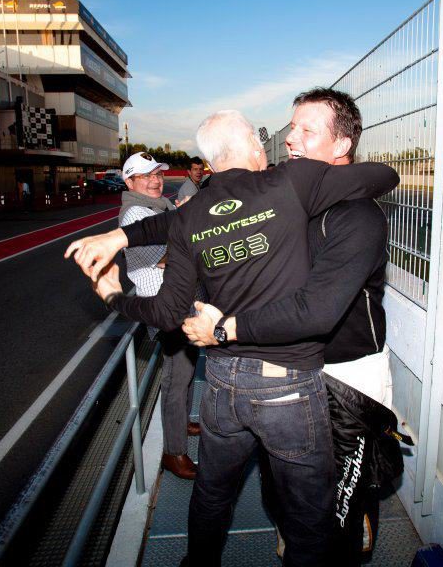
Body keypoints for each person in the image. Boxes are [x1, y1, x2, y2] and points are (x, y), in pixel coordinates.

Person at [66, 110, 398, 566]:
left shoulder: (191, 214)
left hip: (223, 382)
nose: (285, 141)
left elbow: (166, 311)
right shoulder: (290, 183)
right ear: (255, 149)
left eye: (304, 130)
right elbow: (383, 176)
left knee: (212, 495)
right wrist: (121, 239)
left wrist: (113, 293)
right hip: (287, 385)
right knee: (309, 517)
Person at [118, 150, 202, 480]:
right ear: (129, 182)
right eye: (146, 176)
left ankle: (182, 422)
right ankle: (173, 452)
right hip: (164, 303)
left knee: (187, 366)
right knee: (176, 377)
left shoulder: (160, 206)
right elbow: (163, 256)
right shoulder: (136, 212)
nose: (155, 180)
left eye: (157, 174)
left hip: (178, 298)